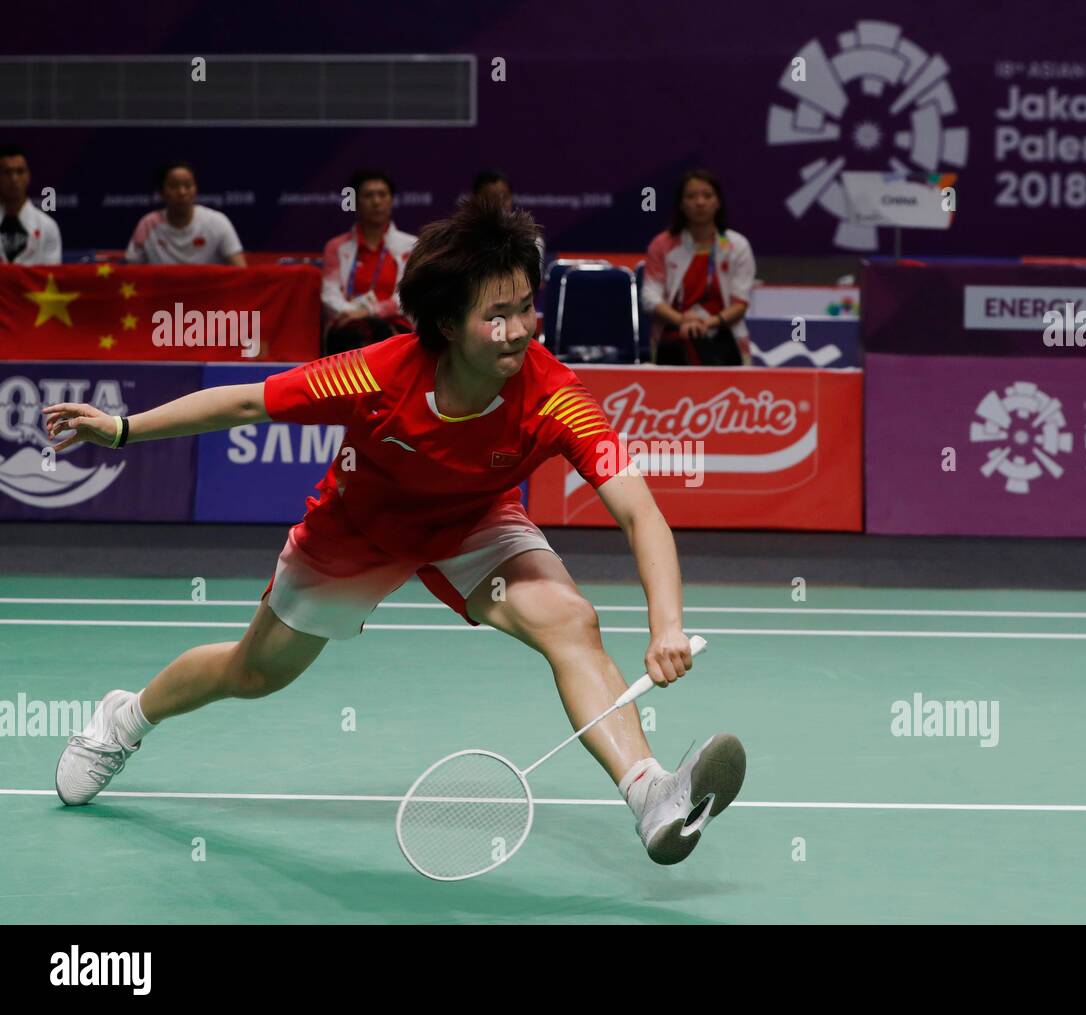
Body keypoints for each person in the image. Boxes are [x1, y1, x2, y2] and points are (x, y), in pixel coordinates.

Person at [44, 196, 745, 867]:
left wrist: (666, 623)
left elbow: (638, 510)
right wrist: (124, 428)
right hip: (357, 531)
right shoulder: (378, 374)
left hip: (474, 523)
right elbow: (247, 400)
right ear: (445, 321)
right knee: (252, 672)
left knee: (571, 619)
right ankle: (125, 717)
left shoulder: (554, 394)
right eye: (495, 314)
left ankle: (650, 791)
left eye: (526, 306)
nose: (518, 329)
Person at [642, 169, 755, 365]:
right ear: (681, 204)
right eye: (691, 196)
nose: (700, 202)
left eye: (707, 195)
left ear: (718, 202)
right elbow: (650, 296)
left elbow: (740, 303)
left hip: (725, 338)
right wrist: (681, 320)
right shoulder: (662, 245)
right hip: (673, 338)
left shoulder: (736, 245)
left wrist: (707, 323)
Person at [321, 169, 417, 354]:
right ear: (355, 202)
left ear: (391, 200)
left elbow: (409, 296)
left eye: (382, 194)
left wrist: (371, 312)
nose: (376, 201)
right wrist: (351, 314)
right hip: (348, 330)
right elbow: (329, 294)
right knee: (352, 334)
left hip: (394, 330)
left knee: (378, 332)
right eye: (368, 195)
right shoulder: (336, 247)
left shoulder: (410, 246)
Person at [124, 162, 246, 266]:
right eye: (173, 186)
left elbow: (240, 270)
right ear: (161, 192)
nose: (182, 192)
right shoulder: (147, 224)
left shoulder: (218, 222)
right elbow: (132, 271)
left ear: (195, 189)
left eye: (188, 185)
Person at [472, 169, 545, 274]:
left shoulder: (530, 240)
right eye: (491, 198)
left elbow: (533, 285)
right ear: (475, 198)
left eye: (505, 197)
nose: (500, 204)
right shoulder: (462, 236)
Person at [0, 145, 62, 265]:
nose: (14, 179)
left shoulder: (48, 227)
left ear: (28, 176)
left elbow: (49, 277)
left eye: (20, 171)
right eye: (7, 172)